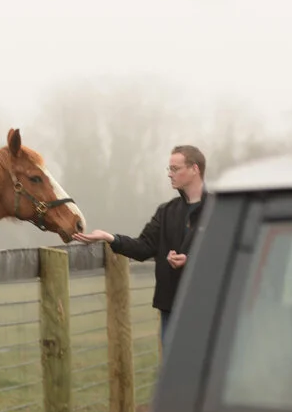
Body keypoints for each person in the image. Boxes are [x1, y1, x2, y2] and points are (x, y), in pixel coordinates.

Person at [74, 144, 207, 356]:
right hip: (171, 309)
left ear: (195, 169)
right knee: (174, 377)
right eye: (168, 169)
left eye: (175, 169)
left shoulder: (219, 210)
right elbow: (143, 247)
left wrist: (190, 261)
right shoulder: (166, 212)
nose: (169, 174)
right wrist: (111, 238)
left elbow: (229, 256)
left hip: (207, 308)